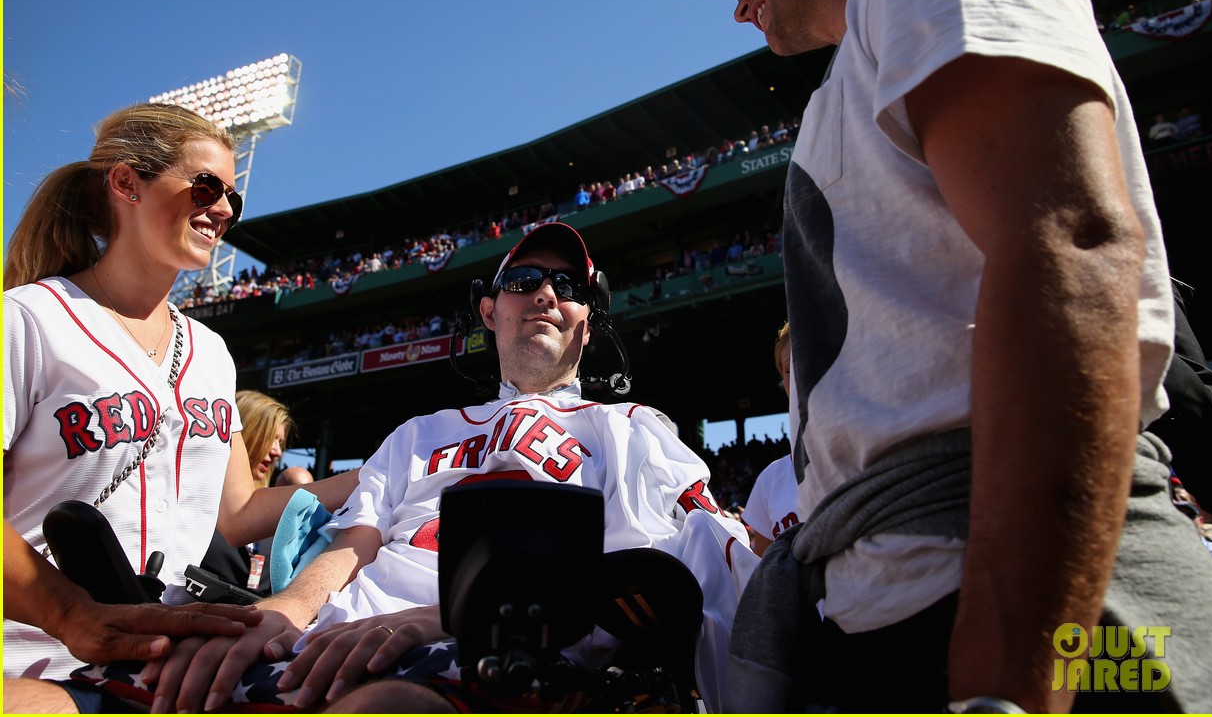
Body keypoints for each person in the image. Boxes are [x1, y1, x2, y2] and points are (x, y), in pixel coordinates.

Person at [715, 0, 1212, 713]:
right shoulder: (847, 74)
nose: (739, 6)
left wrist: (1007, 679)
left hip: (1015, 600)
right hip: (898, 596)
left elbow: (1068, 242)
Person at [102, 221, 755, 714]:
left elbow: (651, 578)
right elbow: (352, 546)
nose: (546, 294)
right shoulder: (418, 433)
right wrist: (275, 615)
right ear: (490, 311)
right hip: (341, 634)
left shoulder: (635, 429)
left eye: (569, 286)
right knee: (96, 691)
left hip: (495, 654)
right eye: (524, 280)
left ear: (587, 323)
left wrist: (450, 616)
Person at [2, 103, 358, 713]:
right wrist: (70, 613)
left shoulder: (212, 352)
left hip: (170, 663)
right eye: (205, 186)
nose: (222, 208)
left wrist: (386, 469)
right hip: (33, 653)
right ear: (125, 184)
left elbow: (238, 513)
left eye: (232, 198)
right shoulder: (26, 319)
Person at [199, 390, 296, 595]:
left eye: (280, 442)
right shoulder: (199, 499)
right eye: (271, 438)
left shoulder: (272, 515)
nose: (277, 451)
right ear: (244, 433)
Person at [741, 321, 798, 556]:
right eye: (788, 370)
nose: (797, 375)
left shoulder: (874, 454)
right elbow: (762, 572)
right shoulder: (771, 479)